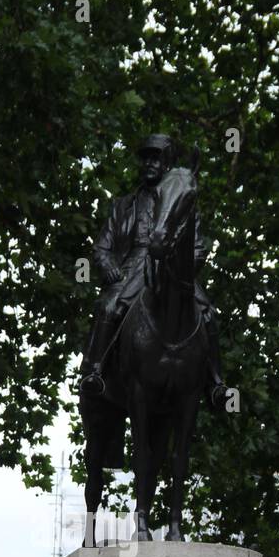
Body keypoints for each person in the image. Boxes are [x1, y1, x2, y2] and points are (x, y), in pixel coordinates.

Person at [80, 133, 227, 410]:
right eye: (145, 157)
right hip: (131, 269)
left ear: (167, 163)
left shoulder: (183, 202)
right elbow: (102, 247)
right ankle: (95, 372)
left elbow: (198, 247)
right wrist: (108, 265)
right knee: (108, 307)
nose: (149, 163)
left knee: (208, 313)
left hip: (171, 269)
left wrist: (188, 269)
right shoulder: (122, 206)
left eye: (156, 158)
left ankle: (216, 383)